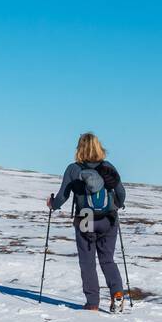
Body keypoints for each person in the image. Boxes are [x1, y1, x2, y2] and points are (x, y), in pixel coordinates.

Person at [45, 133, 127, 312]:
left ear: (79, 148)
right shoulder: (108, 167)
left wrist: (53, 204)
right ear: (99, 147)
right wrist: (117, 206)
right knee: (107, 260)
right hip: (109, 218)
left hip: (86, 218)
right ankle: (117, 294)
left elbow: (62, 197)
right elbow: (121, 193)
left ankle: (92, 303)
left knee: (87, 262)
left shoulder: (73, 169)